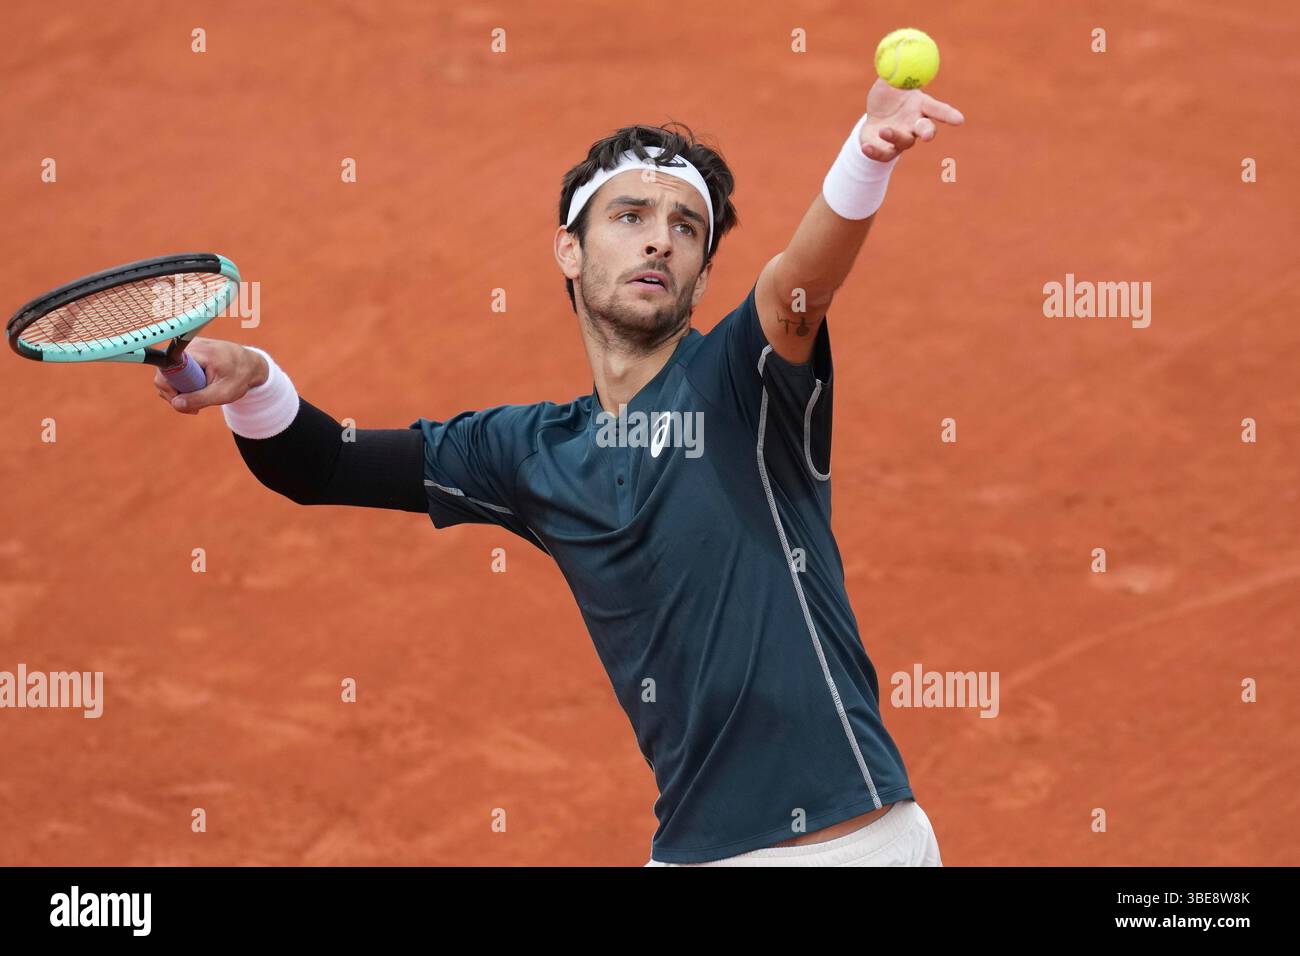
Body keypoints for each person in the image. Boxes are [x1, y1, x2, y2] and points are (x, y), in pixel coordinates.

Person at [155, 78, 964, 866]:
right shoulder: (530, 454)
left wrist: (866, 157)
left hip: (849, 847)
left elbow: (800, 286)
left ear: (704, 277)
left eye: (687, 228)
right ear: (569, 250)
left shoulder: (742, 383)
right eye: (631, 215)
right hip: (692, 850)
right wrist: (257, 380)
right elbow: (322, 462)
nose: (660, 239)